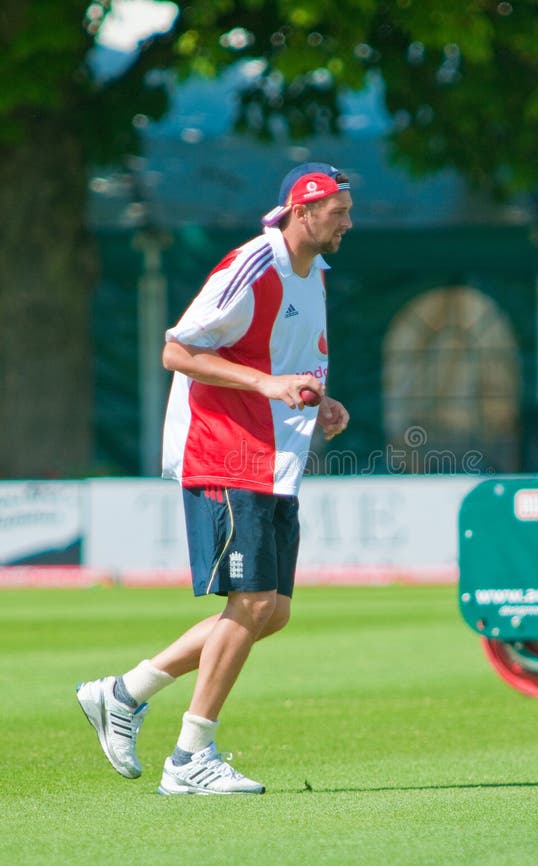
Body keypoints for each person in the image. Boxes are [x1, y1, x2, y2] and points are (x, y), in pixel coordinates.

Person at [77, 162, 352, 795]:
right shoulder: (253, 265)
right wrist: (267, 385)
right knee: (251, 603)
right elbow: (178, 349)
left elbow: (292, 363)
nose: (347, 221)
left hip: (275, 455)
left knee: (271, 612)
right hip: (224, 446)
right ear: (302, 209)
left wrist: (323, 399)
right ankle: (189, 757)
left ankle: (122, 694)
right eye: (338, 210)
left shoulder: (316, 276)